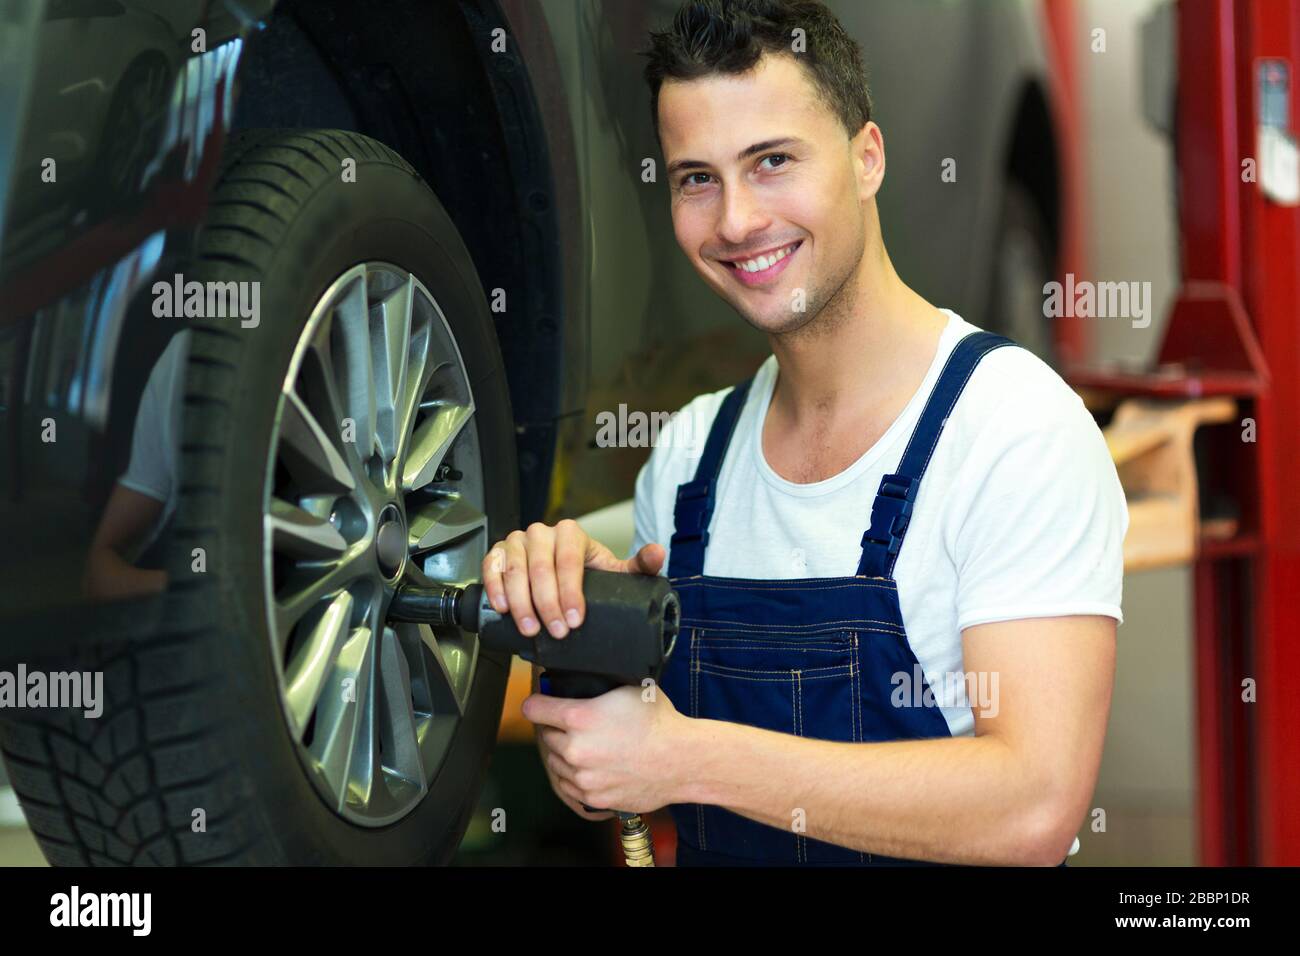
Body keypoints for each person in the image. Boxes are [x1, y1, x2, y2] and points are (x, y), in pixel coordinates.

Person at [481, 0, 1127, 866]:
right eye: (696, 179)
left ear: (868, 158)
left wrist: (685, 756)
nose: (738, 220)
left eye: (772, 162)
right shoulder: (687, 463)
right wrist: (589, 671)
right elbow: (630, 773)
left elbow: (1034, 808)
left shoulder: (1013, 429)